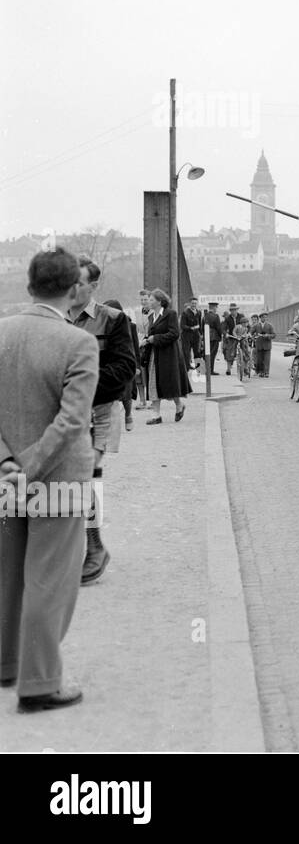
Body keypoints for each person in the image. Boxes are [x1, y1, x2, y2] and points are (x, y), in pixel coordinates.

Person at [0, 247, 98, 712]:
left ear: (28, 284)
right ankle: (39, 683)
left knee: (8, 576)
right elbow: (73, 420)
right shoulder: (78, 343)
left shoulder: (0, 332)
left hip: (5, 479)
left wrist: (8, 466)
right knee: (50, 580)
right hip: (58, 479)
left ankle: (7, 665)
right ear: (75, 289)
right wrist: (32, 468)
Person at [69, 259, 137, 585]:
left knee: (87, 478)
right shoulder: (51, 319)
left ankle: (94, 545)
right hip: (55, 414)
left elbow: (124, 369)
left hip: (96, 414)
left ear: (93, 286)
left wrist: (75, 387)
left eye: (77, 282)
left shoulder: (113, 320)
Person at [142, 289, 190, 423]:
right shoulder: (151, 316)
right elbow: (152, 334)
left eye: (151, 299)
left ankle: (179, 406)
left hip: (168, 355)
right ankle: (156, 415)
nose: (149, 302)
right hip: (154, 354)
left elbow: (175, 334)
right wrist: (146, 340)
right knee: (153, 382)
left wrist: (155, 338)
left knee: (170, 382)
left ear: (159, 301)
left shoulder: (171, 314)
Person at [104, 298, 142, 430]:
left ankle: (128, 414)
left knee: (126, 393)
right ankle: (110, 421)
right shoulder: (102, 326)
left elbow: (135, 347)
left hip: (126, 362)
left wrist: (136, 366)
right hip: (109, 362)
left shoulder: (130, 326)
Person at [181, 297, 202, 375]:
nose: (194, 305)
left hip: (196, 335)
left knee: (197, 352)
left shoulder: (199, 312)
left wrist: (201, 334)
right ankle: (186, 370)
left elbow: (200, 324)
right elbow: (182, 325)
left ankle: (199, 369)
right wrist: (191, 328)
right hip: (186, 335)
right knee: (186, 353)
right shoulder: (185, 313)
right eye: (192, 303)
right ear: (190, 304)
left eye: (195, 303)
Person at [201, 302, 223, 377]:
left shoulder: (205, 316)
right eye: (216, 307)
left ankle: (206, 369)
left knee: (206, 353)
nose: (216, 309)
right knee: (212, 354)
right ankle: (211, 370)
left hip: (206, 336)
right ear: (214, 308)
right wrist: (220, 336)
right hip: (214, 336)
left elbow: (202, 327)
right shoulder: (216, 316)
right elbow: (218, 328)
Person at [252, 313, 275, 378]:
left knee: (267, 360)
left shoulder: (270, 326)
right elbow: (251, 333)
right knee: (259, 360)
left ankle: (266, 372)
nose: (264, 318)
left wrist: (268, 335)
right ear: (260, 318)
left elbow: (274, 335)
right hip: (259, 345)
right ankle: (261, 372)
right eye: (263, 317)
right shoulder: (256, 326)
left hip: (267, 345)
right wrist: (253, 337)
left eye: (265, 317)